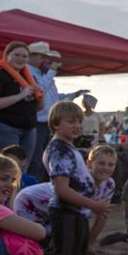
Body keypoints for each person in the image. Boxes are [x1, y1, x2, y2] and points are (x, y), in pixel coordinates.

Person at [41, 102, 112, 255]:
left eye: (79, 122)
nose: (77, 126)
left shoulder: (68, 147)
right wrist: (93, 205)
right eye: (71, 122)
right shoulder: (59, 150)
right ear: (56, 124)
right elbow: (62, 189)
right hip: (65, 211)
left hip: (76, 211)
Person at [15, 144, 117, 253]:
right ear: (89, 164)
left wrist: (89, 244)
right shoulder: (81, 180)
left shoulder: (109, 184)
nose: (106, 168)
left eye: (110, 165)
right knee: (39, 244)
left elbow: (102, 216)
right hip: (30, 202)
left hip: (51, 208)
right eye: (101, 163)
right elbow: (65, 212)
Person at [26, 42, 89, 181]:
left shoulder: (43, 75)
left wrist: (73, 95)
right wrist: (52, 71)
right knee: (35, 161)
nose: (46, 61)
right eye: (43, 57)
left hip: (46, 123)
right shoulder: (28, 72)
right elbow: (39, 90)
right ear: (32, 56)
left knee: (43, 163)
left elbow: (54, 98)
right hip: (37, 122)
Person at [0, 41, 44, 162]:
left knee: (22, 169)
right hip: (3, 127)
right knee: (3, 166)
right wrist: (20, 95)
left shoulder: (30, 78)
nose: (20, 59)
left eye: (24, 56)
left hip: (29, 129)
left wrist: (41, 95)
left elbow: (38, 108)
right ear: (7, 56)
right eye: (17, 55)